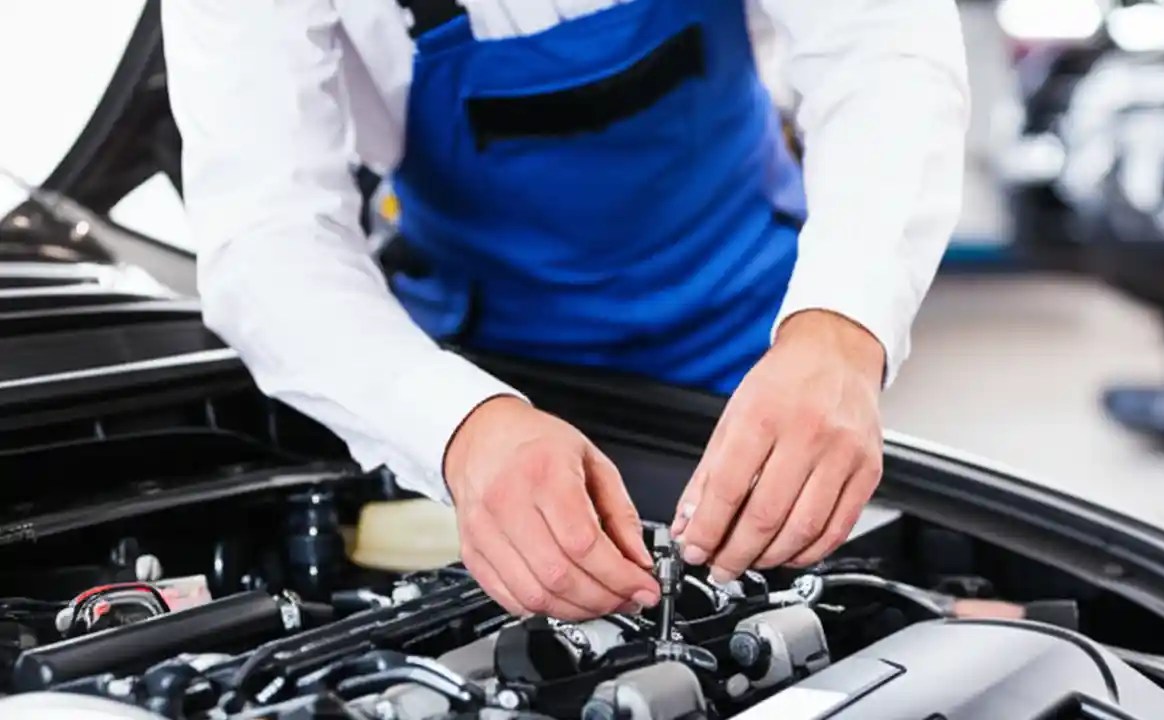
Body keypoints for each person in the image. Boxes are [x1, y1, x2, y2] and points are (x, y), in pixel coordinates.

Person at [162, 0, 969, 621]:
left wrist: (839, 331)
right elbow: (266, 238)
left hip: (757, 327)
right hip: (487, 364)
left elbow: (885, 49)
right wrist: (459, 429)